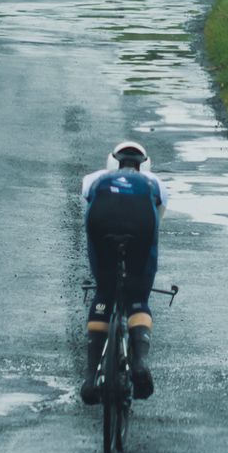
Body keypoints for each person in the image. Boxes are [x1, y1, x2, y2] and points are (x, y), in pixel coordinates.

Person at [79, 140, 167, 404]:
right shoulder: (155, 183)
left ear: (111, 162)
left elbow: (88, 214)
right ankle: (139, 362)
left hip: (101, 223)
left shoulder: (93, 179)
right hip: (140, 225)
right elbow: (156, 222)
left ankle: (91, 378)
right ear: (145, 165)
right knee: (138, 295)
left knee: (104, 291)